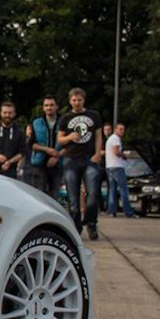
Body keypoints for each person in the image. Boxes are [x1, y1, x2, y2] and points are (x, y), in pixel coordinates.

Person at [58, 87, 105, 240]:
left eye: (79, 100)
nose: (76, 103)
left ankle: (91, 223)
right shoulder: (65, 118)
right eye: (74, 100)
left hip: (89, 159)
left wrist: (98, 153)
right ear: (70, 101)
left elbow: (98, 135)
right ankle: (75, 227)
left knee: (92, 194)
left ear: (83, 100)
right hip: (71, 159)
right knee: (73, 198)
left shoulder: (93, 115)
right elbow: (60, 139)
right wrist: (70, 137)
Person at [24, 96, 61, 194]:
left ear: (56, 107)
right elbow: (31, 144)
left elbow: (69, 144)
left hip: (58, 164)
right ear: (43, 108)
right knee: (40, 194)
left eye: (52, 105)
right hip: (39, 163)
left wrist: (57, 156)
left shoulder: (63, 122)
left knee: (55, 194)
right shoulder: (36, 123)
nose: (49, 108)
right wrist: (46, 149)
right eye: (46, 105)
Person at [0, 100, 31, 177]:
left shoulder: (19, 132)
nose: (7, 115)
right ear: (1, 113)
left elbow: (22, 153)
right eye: (5, 113)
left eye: (10, 113)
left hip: (11, 171)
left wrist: (9, 162)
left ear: (14, 114)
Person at [104, 123, 135, 217]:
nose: (122, 131)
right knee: (123, 189)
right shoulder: (115, 139)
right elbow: (116, 151)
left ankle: (111, 211)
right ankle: (128, 212)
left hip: (109, 166)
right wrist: (124, 156)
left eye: (123, 129)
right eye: (120, 129)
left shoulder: (110, 139)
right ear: (115, 129)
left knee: (112, 190)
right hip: (117, 166)